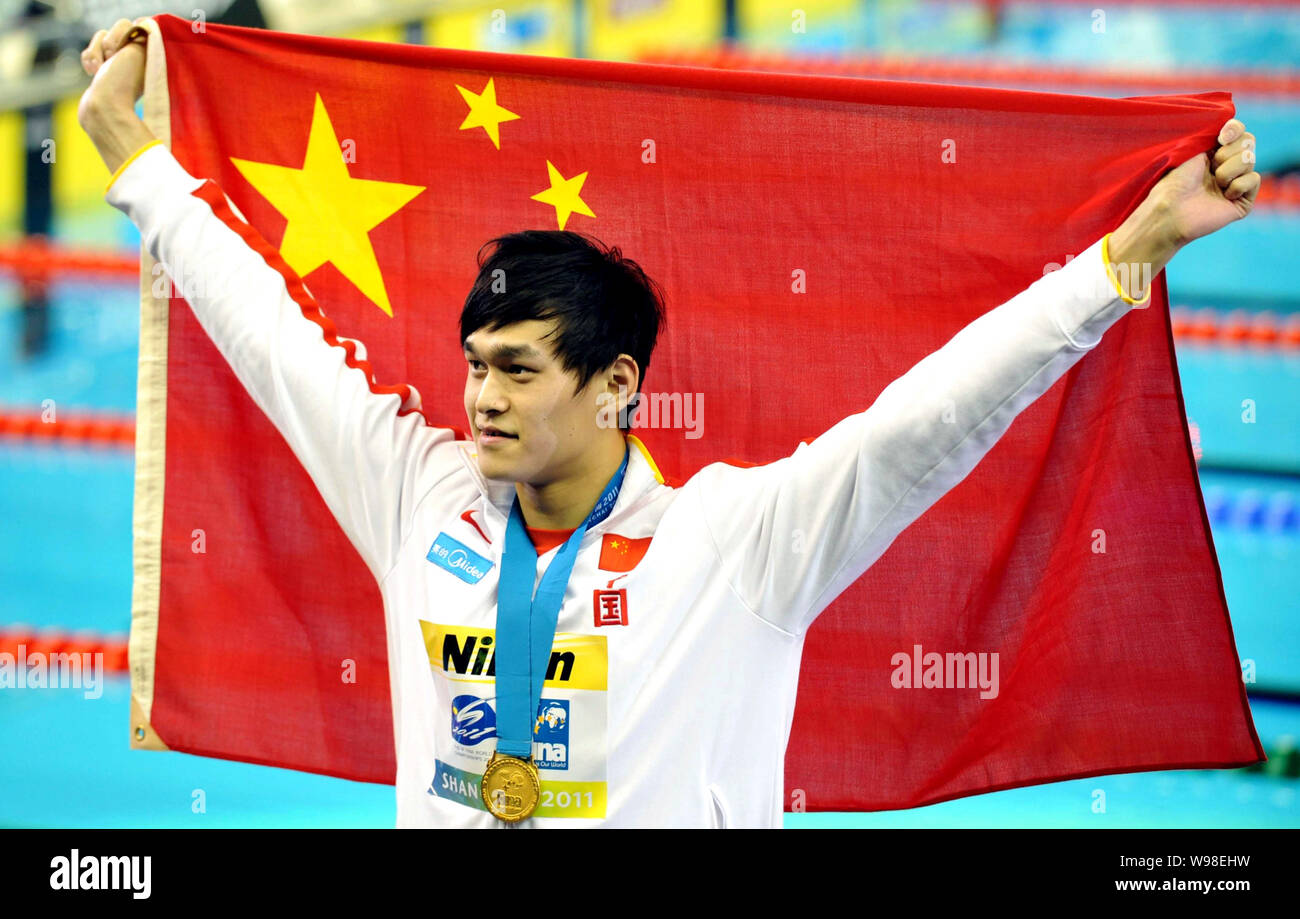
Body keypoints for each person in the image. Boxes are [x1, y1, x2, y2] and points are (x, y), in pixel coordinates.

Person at [78, 17, 1260, 828]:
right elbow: (269, 339)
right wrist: (135, 158)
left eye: (519, 371)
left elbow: (927, 418)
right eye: (475, 366)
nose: (481, 396)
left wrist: (1127, 255)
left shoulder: (732, 541)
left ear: (616, 386)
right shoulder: (417, 494)